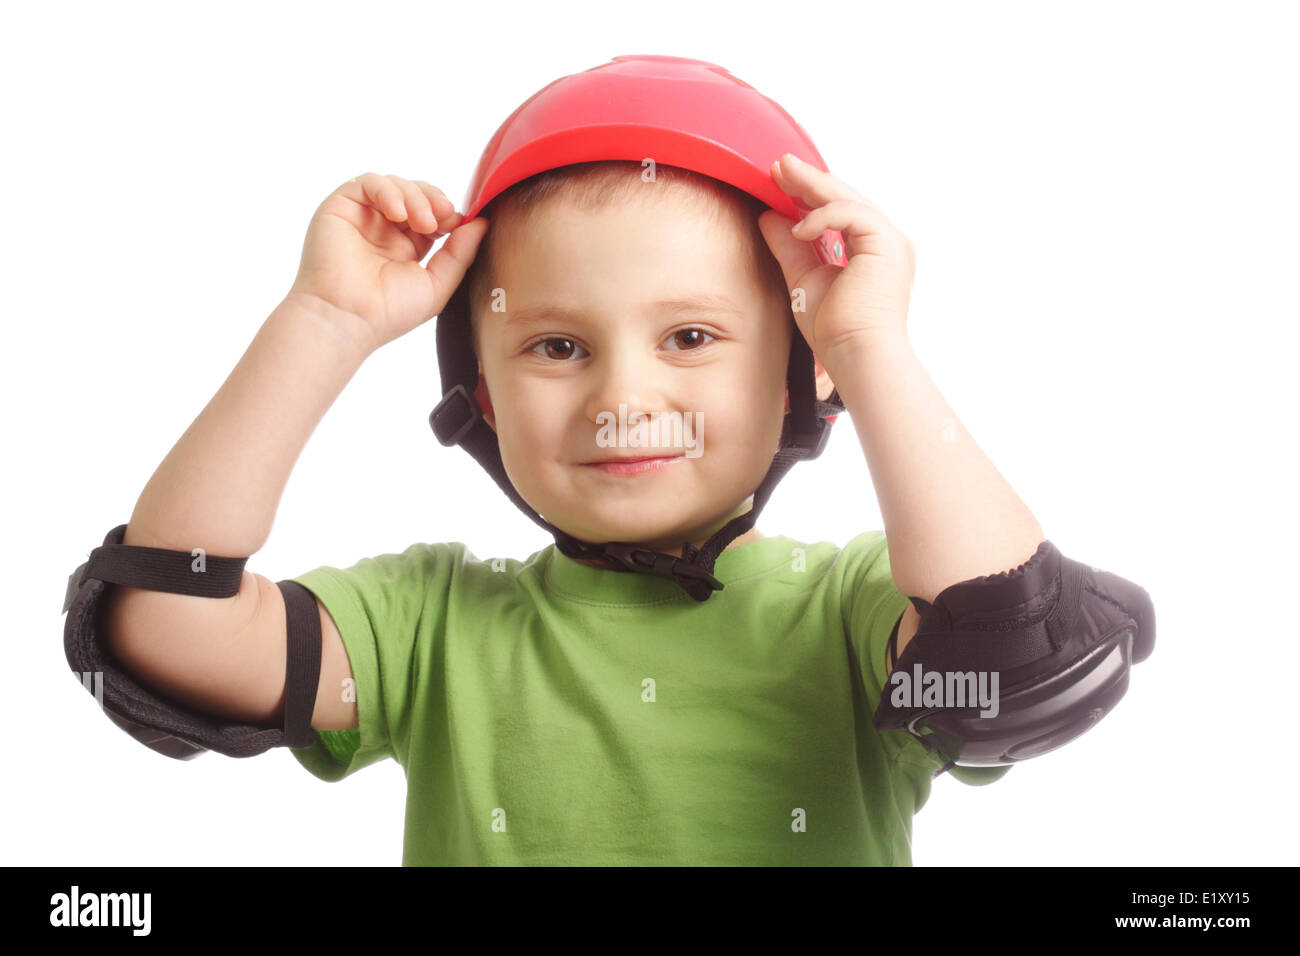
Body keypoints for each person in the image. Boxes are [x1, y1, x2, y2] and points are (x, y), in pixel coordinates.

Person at [91, 57, 1144, 866]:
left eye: (690, 336)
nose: (622, 398)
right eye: (558, 345)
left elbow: (1014, 640)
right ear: (486, 396)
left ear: (798, 371)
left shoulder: (853, 609)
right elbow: (166, 621)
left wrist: (867, 347)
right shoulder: (427, 625)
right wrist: (322, 322)